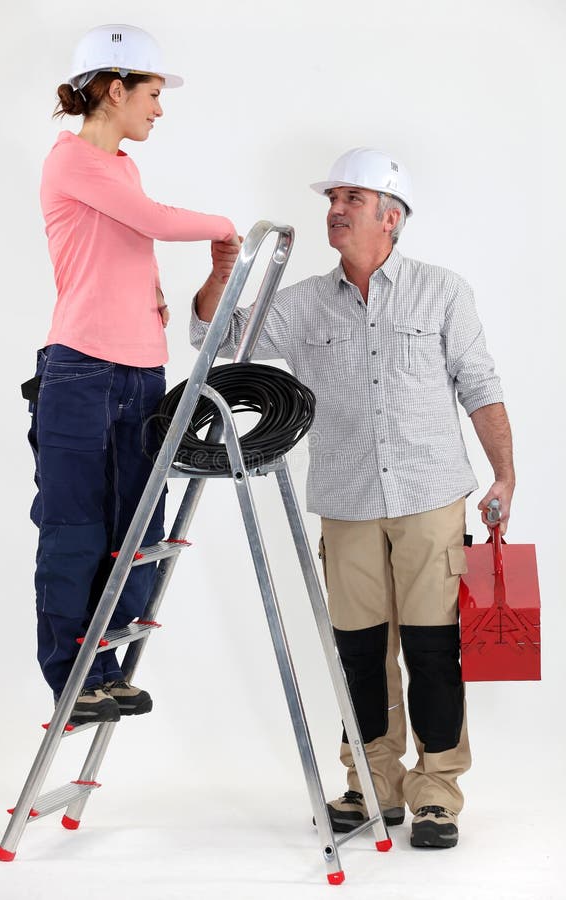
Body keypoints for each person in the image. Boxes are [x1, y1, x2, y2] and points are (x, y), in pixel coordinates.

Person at [189, 148, 515, 849]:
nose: (335, 209)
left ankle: (436, 793)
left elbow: (480, 384)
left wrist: (504, 476)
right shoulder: (303, 303)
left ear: (390, 218)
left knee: (433, 650)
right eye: (332, 197)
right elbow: (211, 338)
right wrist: (222, 278)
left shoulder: (442, 292)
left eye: (352, 199)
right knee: (359, 653)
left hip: (430, 497)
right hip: (346, 500)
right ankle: (372, 784)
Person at [28, 24, 238, 726]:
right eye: (152, 92)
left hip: (141, 373)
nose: (159, 108)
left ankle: (105, 665)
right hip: (81, 371)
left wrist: (148, 288)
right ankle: (72, 676)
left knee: (135, 530)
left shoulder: (121, 166)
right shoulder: (70, 161)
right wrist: (224, 224)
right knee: (75, 530)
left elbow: (125, 239)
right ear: (115, 89)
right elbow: (151, 220)